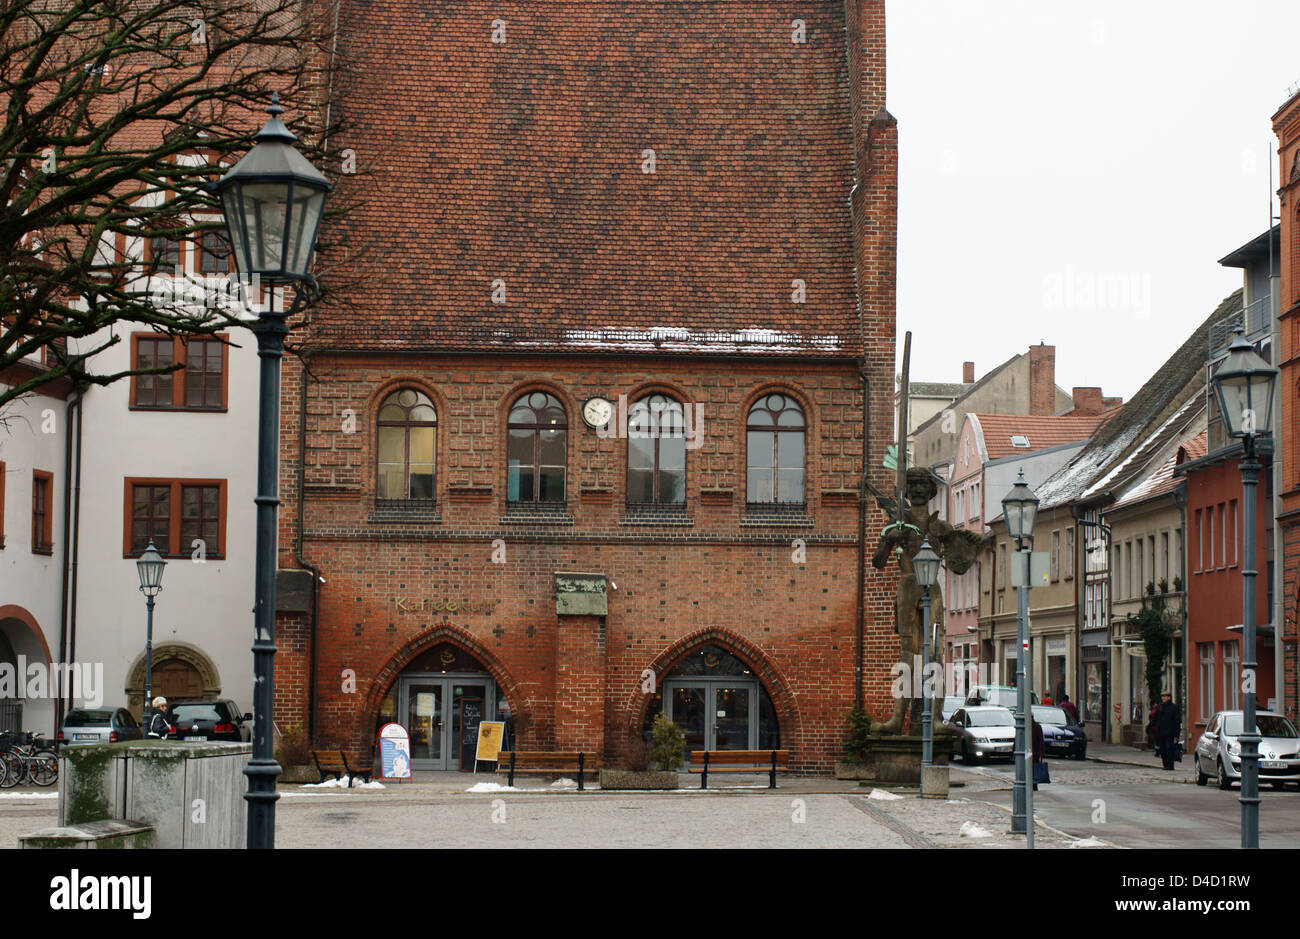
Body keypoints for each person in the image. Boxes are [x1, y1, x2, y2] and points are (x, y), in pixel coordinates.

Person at [1152, 691, 1181, 771]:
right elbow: (1155, 718)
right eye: (1163, 697)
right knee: (1162, 749)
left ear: (1169, 698)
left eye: (1165, 697)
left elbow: (1177, 721)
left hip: (1170, 732)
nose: (1163, 698)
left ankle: (1170, 765)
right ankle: (1165, 765)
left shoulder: (1174, 707)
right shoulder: (1160, 707)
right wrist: (1149, 726)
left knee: (1169, 748)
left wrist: (1177, 733)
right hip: (1161, 732)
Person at [1031, 717, 1046, 790]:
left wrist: (1040, 754)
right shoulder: (1023, 726)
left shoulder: (1036, 727)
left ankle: (1034, 785)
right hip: (1031, 753)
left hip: (1035, 753)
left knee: (1034, 770)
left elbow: (1040, 741)